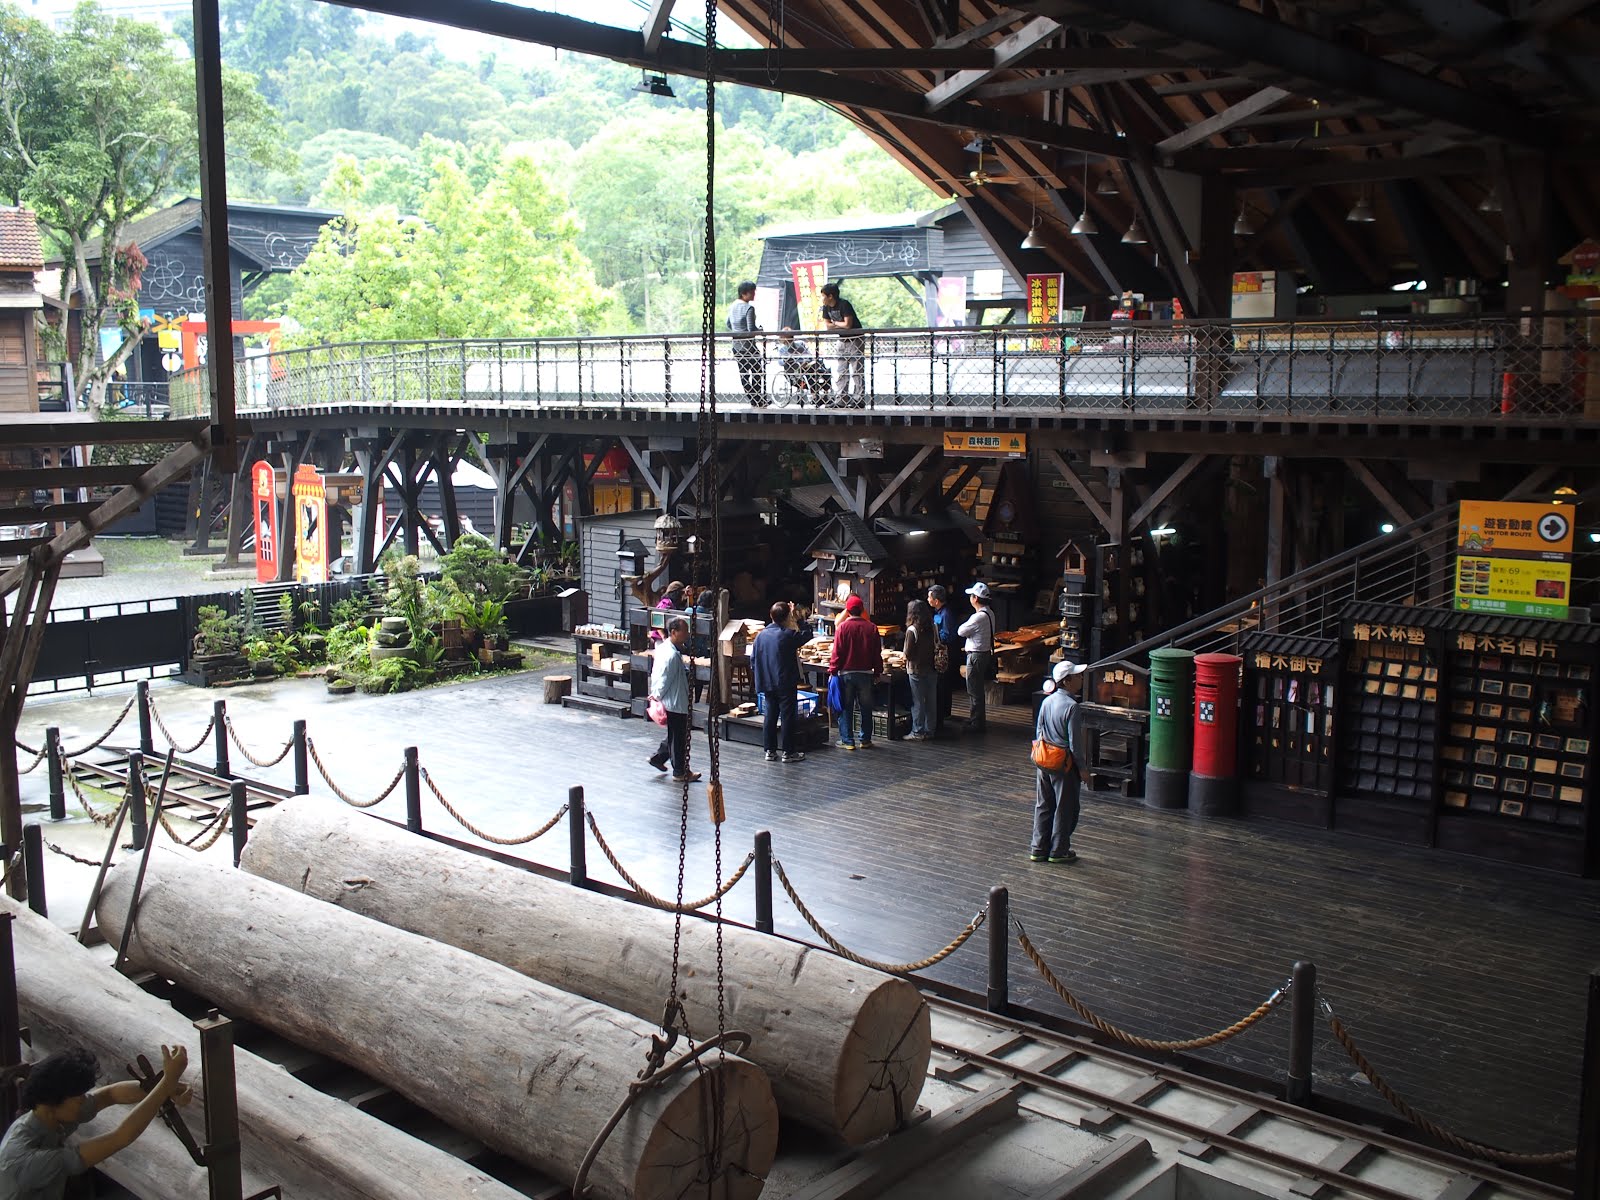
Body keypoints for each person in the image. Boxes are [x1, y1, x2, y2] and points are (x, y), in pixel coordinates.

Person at [0, 1044, 191, 1199]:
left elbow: (109, 1095)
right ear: (53, 1102)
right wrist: (166, 1083)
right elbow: (120, 1137)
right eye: (78, 1098)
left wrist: (167, 1089)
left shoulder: (46, 1116)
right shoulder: (28, 1162)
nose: (84, 1101)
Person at [1031, 659, 1087, 863]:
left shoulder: (1047, 701)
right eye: (1077, 676)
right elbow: (1075, 744)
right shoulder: (1072, 707)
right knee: (1065, 807)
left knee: (1043, 805)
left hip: (1044, 759)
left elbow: (1039, 731)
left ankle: (1038, 848)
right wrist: (1083, 769)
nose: (1081, 678)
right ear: (1067, 681)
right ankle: (1059, 850)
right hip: (1064, 763)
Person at [750, 601, 807, 763]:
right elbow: (806, 634)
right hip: (785, 681)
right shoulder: (787, 635)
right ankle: (788, 752)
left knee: (770, 715)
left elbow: (753, 660)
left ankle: (770, 750)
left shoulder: (760, 636)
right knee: (787, 716)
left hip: (767, 681)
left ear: (771, 616)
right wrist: (798, 617)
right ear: (787, 617)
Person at [648, 616, 700, 782]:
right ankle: (679, 771)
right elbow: (664, 679)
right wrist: (656, 696)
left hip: (673, 699)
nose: (687, 634)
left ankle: (658, 758)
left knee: (675, 733)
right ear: (673, 632)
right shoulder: (670, 655)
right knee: (679, 738)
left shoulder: (665, 649)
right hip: (674, 701)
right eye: (684, 631)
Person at [828, 594, 882, 749]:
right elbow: (876, 653)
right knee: (866, 708)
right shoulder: (872, 628)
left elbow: (837, 652)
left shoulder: (842, 628)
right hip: (866, 674)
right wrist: (877, 672)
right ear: (862, 609)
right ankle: (865, 740)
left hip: (846, 674)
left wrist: (833, 670)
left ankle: (848, 741)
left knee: (846, 708)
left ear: (848, 610)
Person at [958, 581, 998, 733]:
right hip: (984, 653)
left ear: (975, 598)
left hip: (975, 655)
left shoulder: (977, 617)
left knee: (974, 690)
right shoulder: (990, 613)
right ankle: (977, 719)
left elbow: (961, 631)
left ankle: (976, 723)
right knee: (978, 688)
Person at [819, 282, 865, 404]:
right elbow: (828, 326)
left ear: (830, 296)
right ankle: (841, 400)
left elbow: (848, 325)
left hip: (856, 339)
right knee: (841, 371)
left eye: (823, 296)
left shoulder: (844, 304)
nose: (822, 298)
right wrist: (840, 325)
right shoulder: (826, 308)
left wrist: (835, 323)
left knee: (857, 371)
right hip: (842, 340)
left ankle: (859, 400)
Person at [927, 584, 961, 735]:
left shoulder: (946, 614)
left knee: (944, 683)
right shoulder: (937, 612)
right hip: (940, 650)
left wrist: (935, 637)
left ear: (936, 600)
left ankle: (944, 712)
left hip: (946, 652)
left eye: (929, 597)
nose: (928, 599)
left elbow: (948, 635)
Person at [902, 599, 938, 740]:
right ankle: (930, 729)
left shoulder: (912, 630)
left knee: (917, 701)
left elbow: (908, 653)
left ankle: (917, 731)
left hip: (916, 670)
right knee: (931, 701)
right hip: (932, 667)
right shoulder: (933, 627)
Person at [728, 281, 765, 405]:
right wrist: (760, 331)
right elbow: (751, 329)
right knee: (757, 371)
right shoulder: (749, 308)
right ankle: (757, 399)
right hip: (749, 346)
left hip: (736, 346)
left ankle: (753, 399)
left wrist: (737, 330)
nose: (754, 294)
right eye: (752, 292)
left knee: (744, 374)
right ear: (744, 294)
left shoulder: (732, 306)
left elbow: (728, 324)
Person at [776, 328, 831, 402]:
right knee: (808, 374)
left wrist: (806, 361)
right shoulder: (782, 349)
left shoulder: (800, 343)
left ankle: (826, 392)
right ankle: (814, 396)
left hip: (807, 365)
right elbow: (780, 362)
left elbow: (809, 356)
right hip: (795, 370)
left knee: (824, 369)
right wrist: (785, 360)